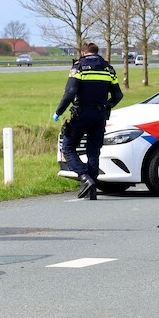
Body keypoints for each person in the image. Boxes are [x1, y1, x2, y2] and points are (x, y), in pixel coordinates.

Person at [53, 42, 123, 200]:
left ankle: (85, 178)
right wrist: (107, 106)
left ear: (83, 52)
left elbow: (70, 92)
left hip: (82, 114)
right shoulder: (108, 68)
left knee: (68, 148)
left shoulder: (79, 67)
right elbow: (118, 95)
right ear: (97, 52)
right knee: (93, 152)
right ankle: (91, 192)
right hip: (100, 116)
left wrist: (58, 112)